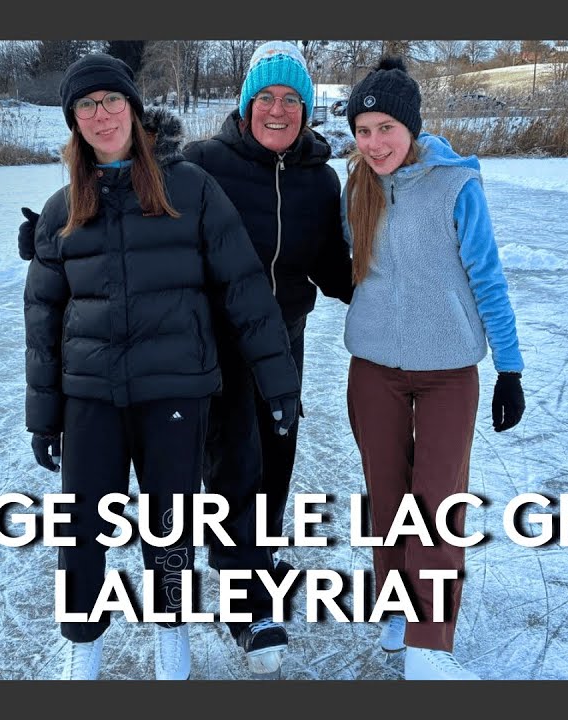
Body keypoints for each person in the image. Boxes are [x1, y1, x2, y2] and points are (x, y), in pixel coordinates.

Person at [20, 52, 301, 681]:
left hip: (175, 389)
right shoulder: (62, 209)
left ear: (134, 109)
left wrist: (277, 381)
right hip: (90, 393)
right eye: (86, 106)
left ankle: (171, 640)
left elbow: (246, 289)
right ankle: (82, 646)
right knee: (82, 532)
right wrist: (44, 416)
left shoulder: (190, 189)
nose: (101, 115)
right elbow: (42, 321)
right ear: (74, 122)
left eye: (111, 101)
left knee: (168, 528)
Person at [341, 56, 526, 681]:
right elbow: (348, 265)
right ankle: (395, 605)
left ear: (412, 127)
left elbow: (488, 278)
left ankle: (428, 643)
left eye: (386, 129)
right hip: (373, 369)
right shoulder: (356, 186)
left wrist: (510, 368)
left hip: (449, 369)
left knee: (437, 502)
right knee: (387, 499)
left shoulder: (456, 185)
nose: (374, 144)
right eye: (363, 132)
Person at [180, 40, 354, 674]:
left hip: (284, 337)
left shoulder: (319, 176)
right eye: (266, 98)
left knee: (277, 454)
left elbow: (337, 267)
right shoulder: (202, 164)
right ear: (246, 102)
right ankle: (241, 594)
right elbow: (138, 207)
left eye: (291, 100)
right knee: (232, 463)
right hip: (218, 341)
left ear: (306, 109)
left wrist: (399, 288)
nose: (278, 111)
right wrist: (62, 229)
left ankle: (259, 557)